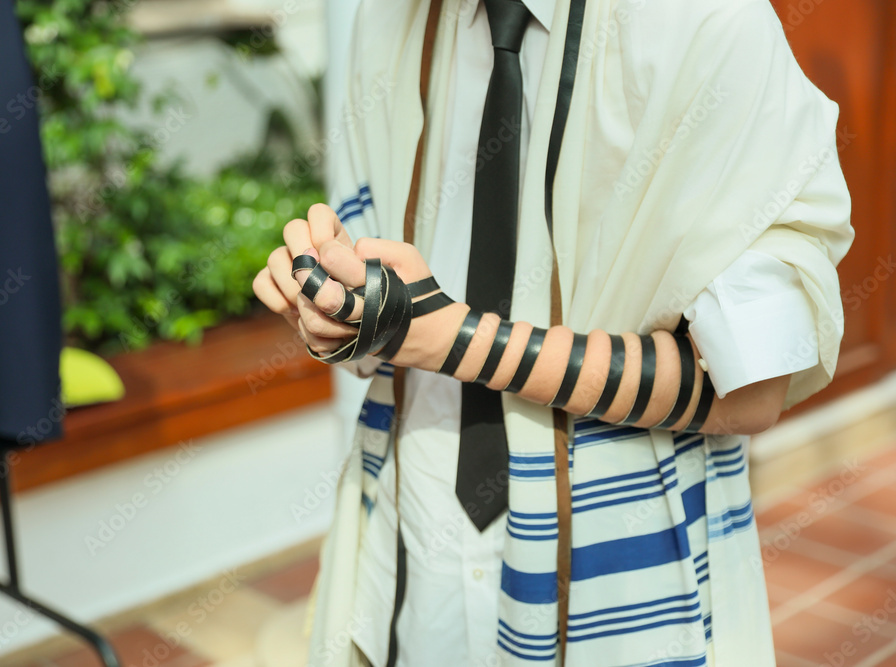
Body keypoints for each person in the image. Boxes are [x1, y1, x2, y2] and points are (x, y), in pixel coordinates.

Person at [253, 0, 854, 664]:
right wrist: (344, 312)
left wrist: (444, 336)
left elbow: (751, 387)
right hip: (411, 535)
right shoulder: (391, 19)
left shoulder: (705, 22)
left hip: (621, 588)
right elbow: (387, 270)